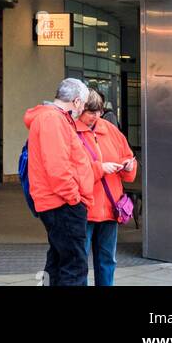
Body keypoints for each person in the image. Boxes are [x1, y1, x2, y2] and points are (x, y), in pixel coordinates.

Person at [24, 78, 94, 286]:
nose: (82, 109)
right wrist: (74, 199)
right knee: (74, 266)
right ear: (76, 101)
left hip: (59, 203)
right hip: (62, 204)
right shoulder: (53, 120)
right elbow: (58, 168)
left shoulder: (51, 118)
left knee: (58, 262)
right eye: (83, 104)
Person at [74, 89, 137, 286]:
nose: (95, 116)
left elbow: (128, 158)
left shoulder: (111, 131)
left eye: (98, 112)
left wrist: (129, 166)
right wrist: (100, 168)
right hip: (84, 209)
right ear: (80, 109)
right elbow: (71, 172)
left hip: (110, 208)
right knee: (79, 262)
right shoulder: (71, 132)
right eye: (90, 112)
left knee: (107, 260)